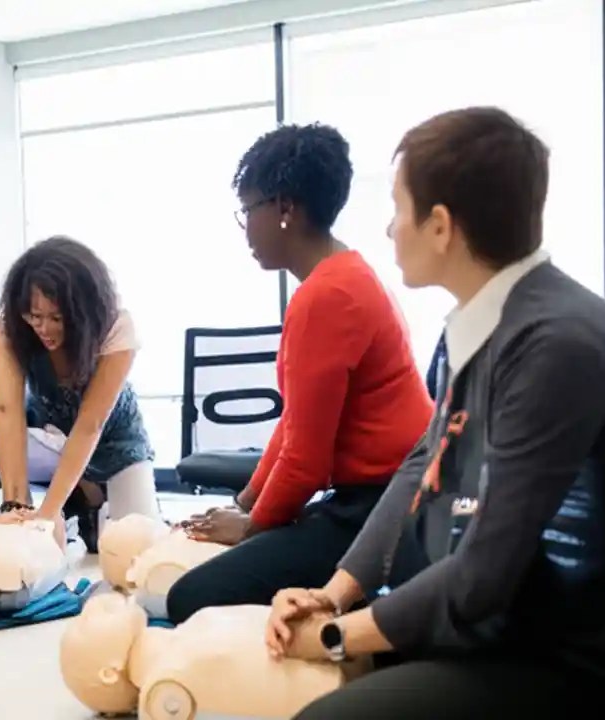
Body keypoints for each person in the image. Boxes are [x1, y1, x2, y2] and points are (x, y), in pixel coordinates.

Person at [269, 107, 605, 720]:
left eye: (398, 209)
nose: (390, 229)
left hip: (598, 666)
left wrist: (339, 637)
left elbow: (482, 575)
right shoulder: (485, 323)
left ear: (441, 226)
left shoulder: (557, 345)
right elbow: (425, 461)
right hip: (519, 624)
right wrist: (335, 596)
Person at [165, 123, 433, 624]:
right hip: (377, 498)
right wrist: (247, 505)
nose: (245, 226)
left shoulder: (327, 296)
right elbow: (297, 423)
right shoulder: (342, 274)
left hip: (381, 510)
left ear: (284, 209)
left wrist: (250, 528)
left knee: (188, 598)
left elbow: (306, 463)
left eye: (248, 210)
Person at [0, 235, 159, 552]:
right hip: (56, 439)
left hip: (114, 442)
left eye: (57, 318)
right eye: (34, 316)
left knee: (136, 547)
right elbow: (6, 410)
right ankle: (84, 493)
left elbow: (90, 424)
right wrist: (16, 506)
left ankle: (91, 495)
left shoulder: (116, 326)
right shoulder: (10, 326)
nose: (44, 329)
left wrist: (50, 509)